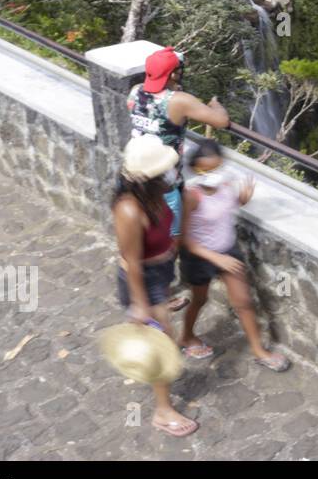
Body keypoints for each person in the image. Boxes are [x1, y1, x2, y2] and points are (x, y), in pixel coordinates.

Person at [128, 47, 230, 311]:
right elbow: (220, 121)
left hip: (135, 174)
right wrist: (215, 104)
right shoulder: (178, 100)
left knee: (144, 236)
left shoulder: (136, 91)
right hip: (165, 183)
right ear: (173, 73)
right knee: (166, 243)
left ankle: (139, 284)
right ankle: (159, 294)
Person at [112, 134, 198, 437]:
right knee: (161, 343)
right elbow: (132, 261)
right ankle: (163, 411)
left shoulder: (155, 195)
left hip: (159, 275)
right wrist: (139, 304)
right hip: (144, 282)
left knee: (164, 337)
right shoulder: (129, 210)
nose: (170, 173)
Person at [178, 140, 290, 372]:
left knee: (244, 302)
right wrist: (215, 258)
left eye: (217, 168)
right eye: (206, 170)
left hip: (228, 249)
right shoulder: (192, 195)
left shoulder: (226, 184)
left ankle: (260, 351)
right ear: (196, 169)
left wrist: (242, 200)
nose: (213, 174)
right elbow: (184, 238)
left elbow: (225, 207)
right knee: (199, 300)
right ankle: (187, 336)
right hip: (200, 256)